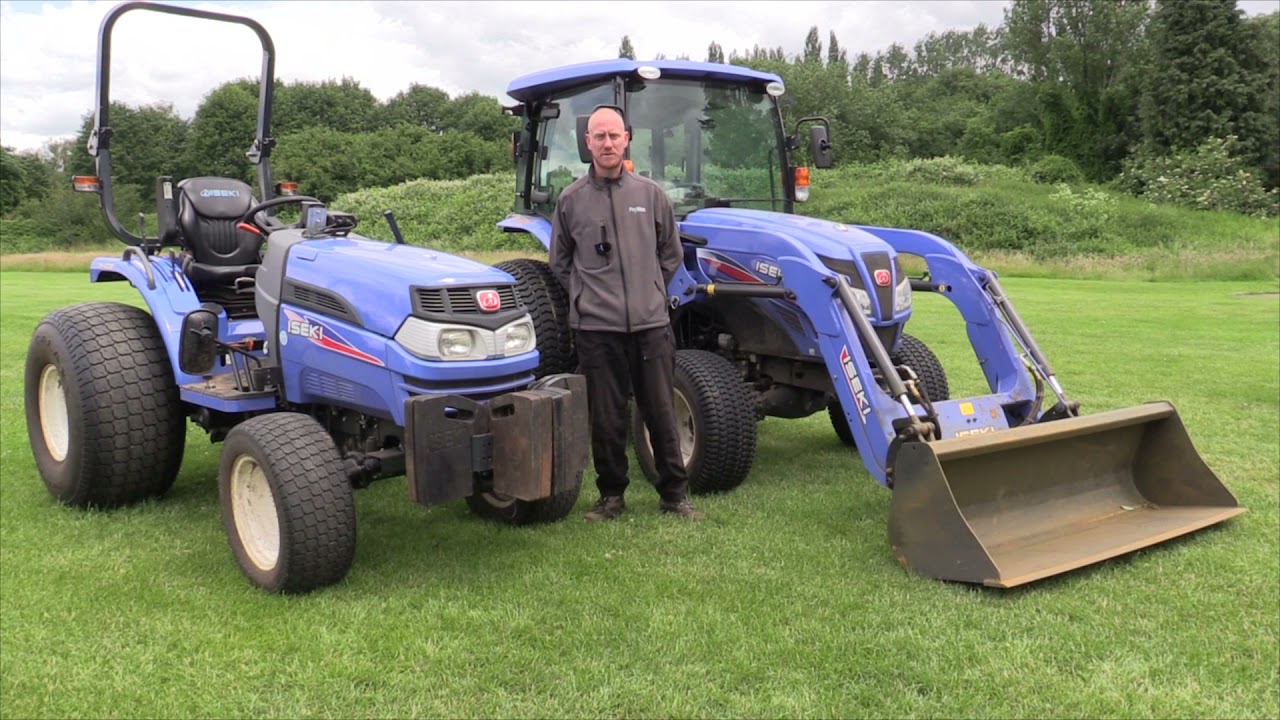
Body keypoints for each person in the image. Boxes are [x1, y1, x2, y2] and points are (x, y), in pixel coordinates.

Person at [549, 106, 704, 522]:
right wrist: (586, 295)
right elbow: (560, 262)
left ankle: (674, 495)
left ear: (626, 139)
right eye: (599, 136)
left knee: (660, 410)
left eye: (614, 136)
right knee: (606, 416)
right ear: (588, 142)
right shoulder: (571, 200)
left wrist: (649, 289)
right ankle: (611, 496)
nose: (607, 143)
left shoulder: (650, 195)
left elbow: (670, 253)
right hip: (596, 329)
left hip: (650, 325)